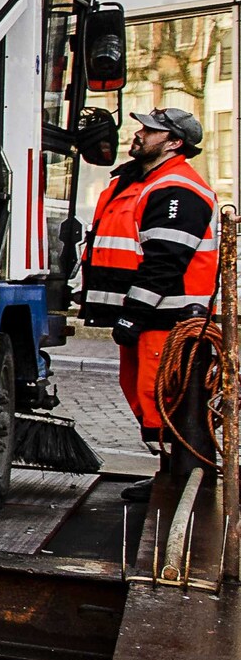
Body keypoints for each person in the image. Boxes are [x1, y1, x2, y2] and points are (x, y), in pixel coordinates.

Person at [82, 107, 219, 498]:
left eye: (151, 131)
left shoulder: (177, 189)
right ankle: (171, 475)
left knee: (163, 398)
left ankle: (178, 482)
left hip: (168, 319)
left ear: (174, 143)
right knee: (146, 395)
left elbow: (165, 262)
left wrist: (135, 313)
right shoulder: (141, 181)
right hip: (151, 318)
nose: (139, 134)